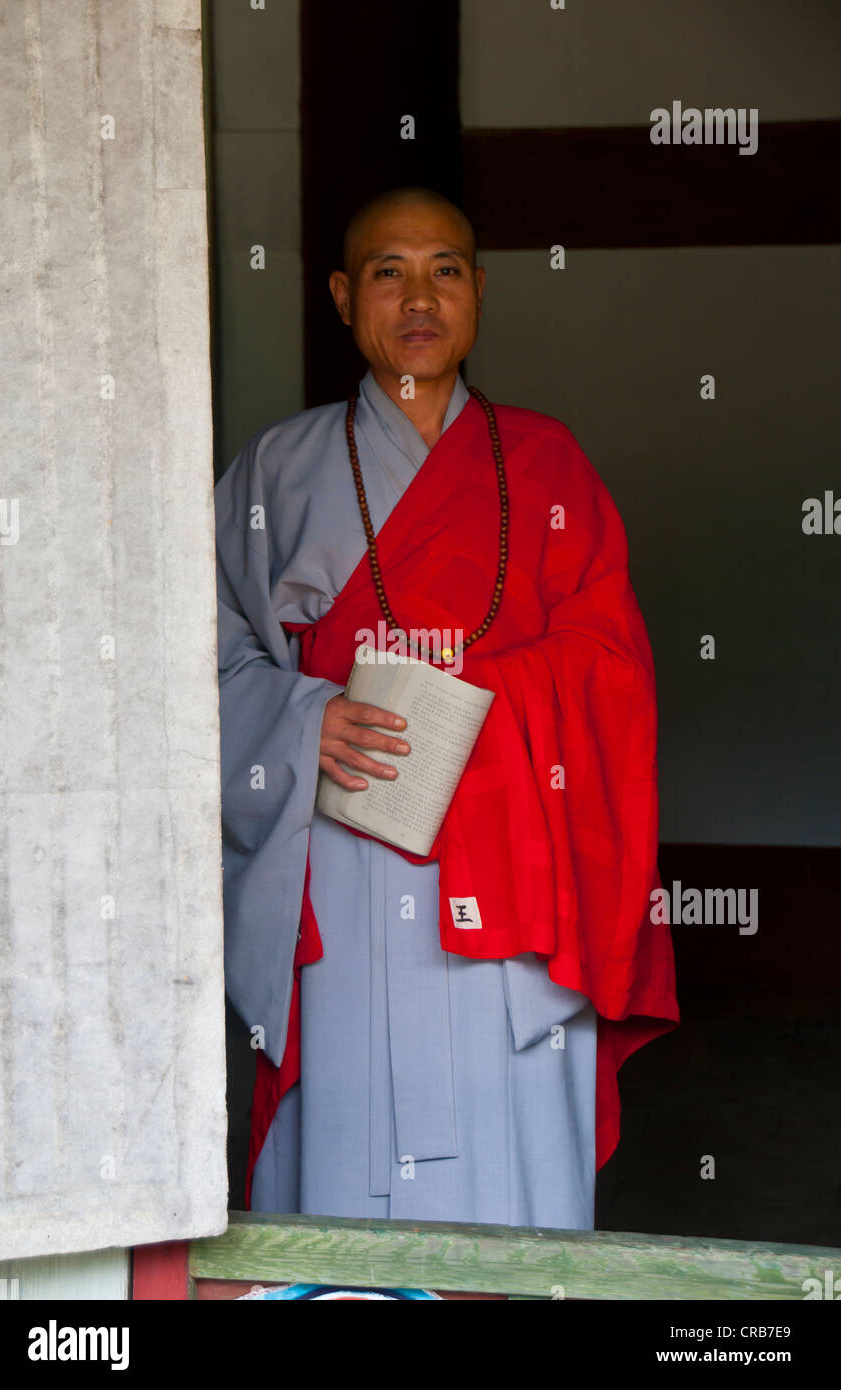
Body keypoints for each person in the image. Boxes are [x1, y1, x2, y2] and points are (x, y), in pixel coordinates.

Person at [214, 186, 678, 1229]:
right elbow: (198, 661)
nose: (417, 295)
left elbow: (612, 669)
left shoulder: (548, 465)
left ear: (478, 292)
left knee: (504, 1148)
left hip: (513, 871)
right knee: (343, 1165)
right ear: (342, 296)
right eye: (387, 271)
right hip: (336, 851)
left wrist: (487, 706)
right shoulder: (275, 473)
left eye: (445, 268)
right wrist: (299, 722)